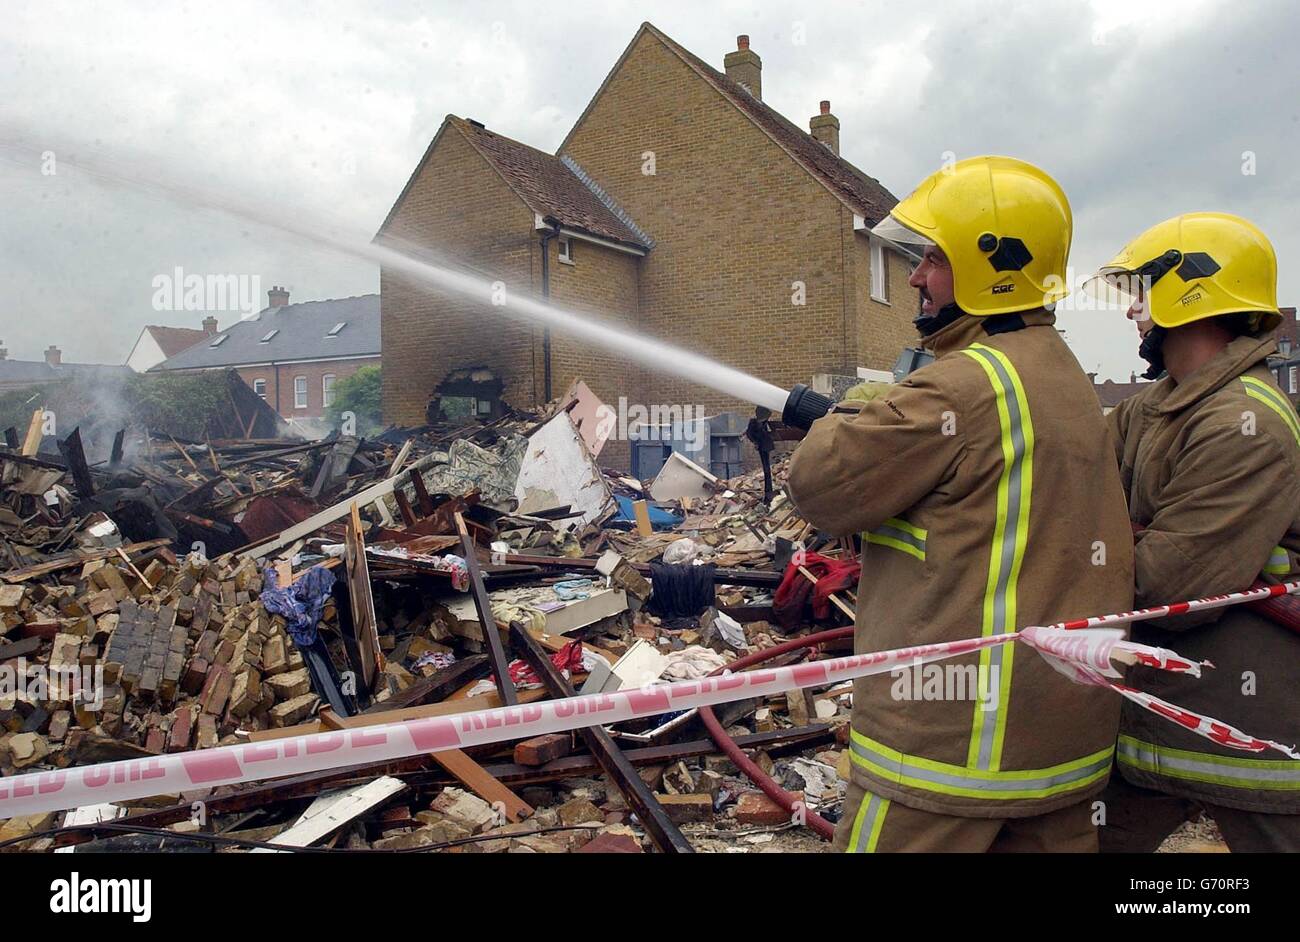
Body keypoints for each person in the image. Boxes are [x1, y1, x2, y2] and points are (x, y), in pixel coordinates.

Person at [786, 156, 1134, 852]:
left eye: (933, 258)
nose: (915, 276)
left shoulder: (961, 387)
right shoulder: (1062, 376)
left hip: (947, 754)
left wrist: (844, 419)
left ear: (989, 268)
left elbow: (818, 484)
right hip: (1060, 748)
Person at [1087, 212, 1300, 852]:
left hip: (1253, 731)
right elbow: (1071, 488)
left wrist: (1121, 538)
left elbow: (1167, 585)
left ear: (1194, 294)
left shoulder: (1246, 424)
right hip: (1164, 714)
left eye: (1144, 294)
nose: (1132, 315)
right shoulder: (1158, 407)